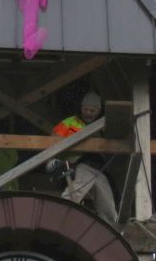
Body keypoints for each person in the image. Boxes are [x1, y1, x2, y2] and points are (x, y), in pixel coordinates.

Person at [47, 91, 117, 223]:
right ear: (81, 108)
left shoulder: (104, 125)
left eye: (93, 110)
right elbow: (52, 141)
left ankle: (112, 225)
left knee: (106, 196)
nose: (89, 113)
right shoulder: (70, 122)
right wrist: (51, 159)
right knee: (78, 187)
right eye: (86, 109)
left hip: (99, 168)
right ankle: (60, 210)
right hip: (79, 163)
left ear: (99, 111)